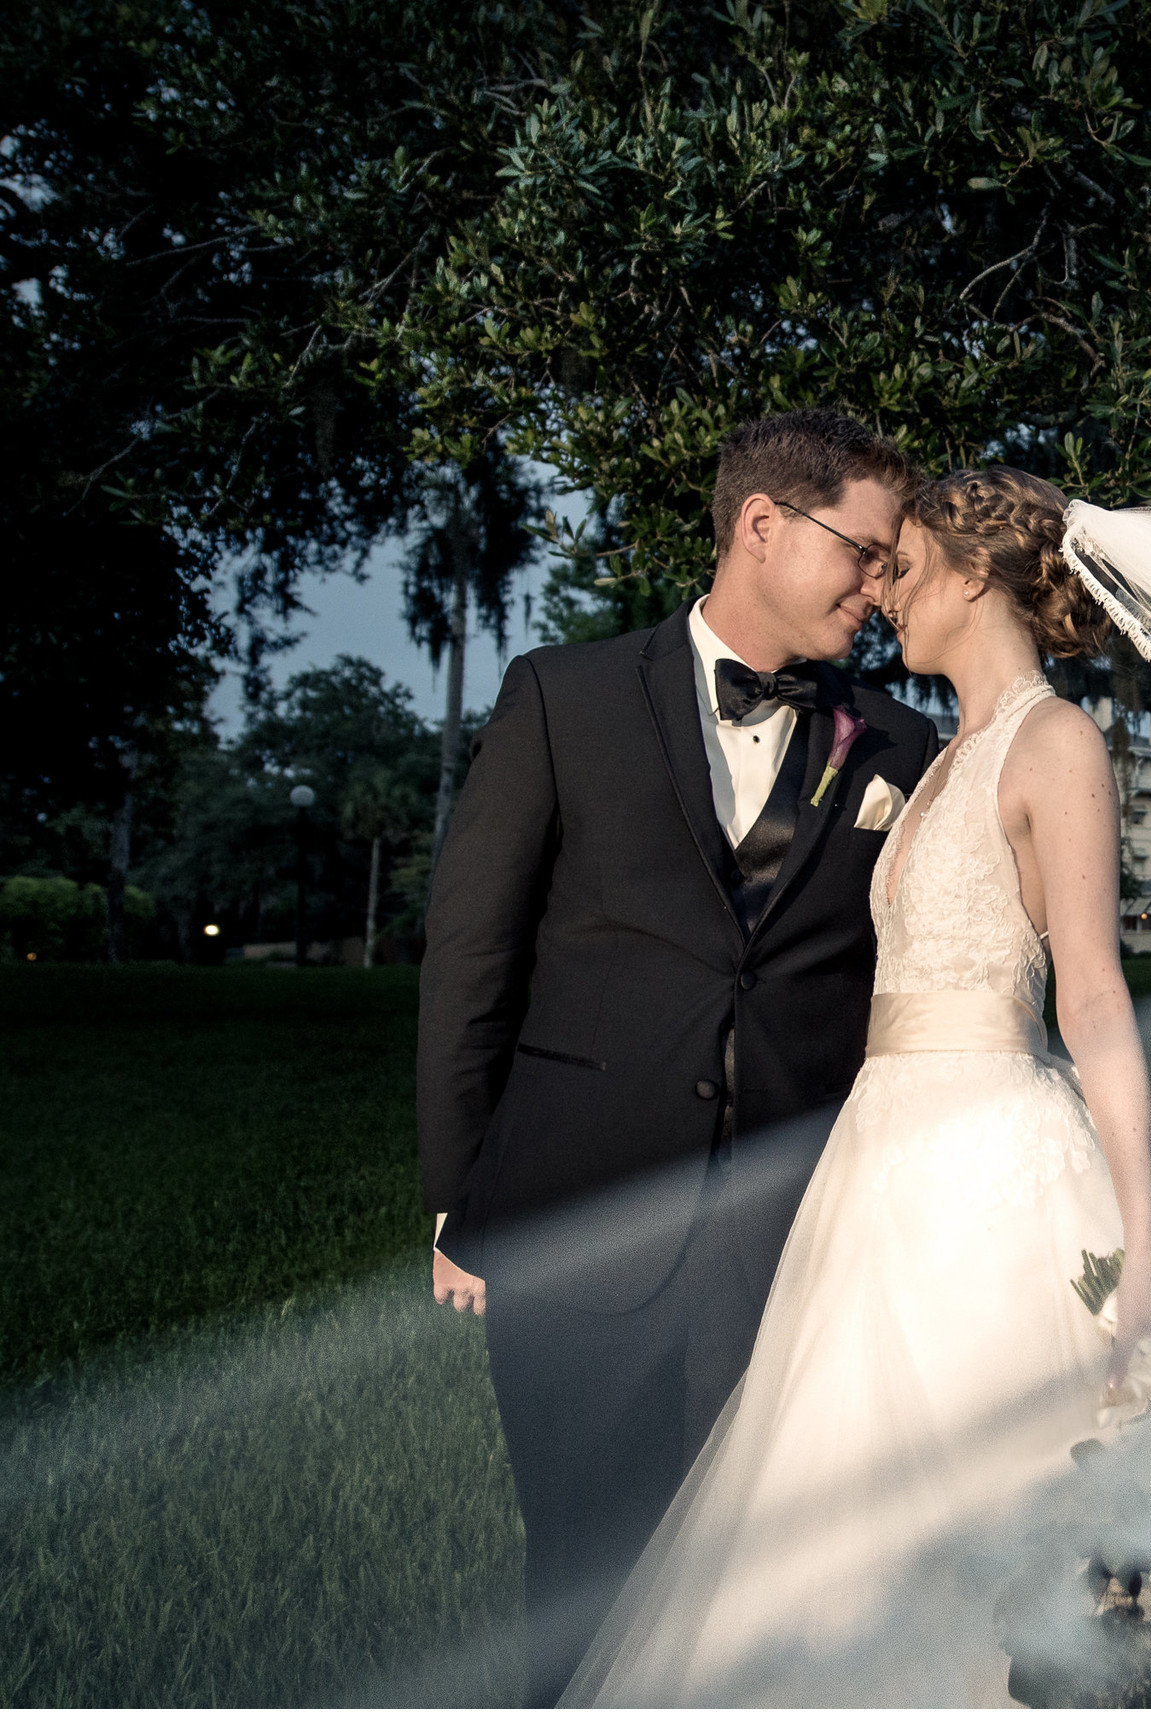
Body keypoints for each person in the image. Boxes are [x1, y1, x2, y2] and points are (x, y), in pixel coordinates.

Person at [562, 468, 1151, 1706]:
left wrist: (1139, 1243)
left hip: (994, 1179)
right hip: (881, 1172)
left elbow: (1090, 997)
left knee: (1009, 1484)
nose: (882, 591)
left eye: (902, 566)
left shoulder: (1055, 739)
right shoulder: (936, 756)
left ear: (975, 573)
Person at [415, 410, 942, 1705]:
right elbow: (471, 959)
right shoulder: (563, 695)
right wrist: (461, 1196)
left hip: (789, 1233)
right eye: (865, 553)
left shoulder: (899, 747)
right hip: (574, 1210)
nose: (880, 589)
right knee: (583, 1570)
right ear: (762, 523)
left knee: (758, 1586)